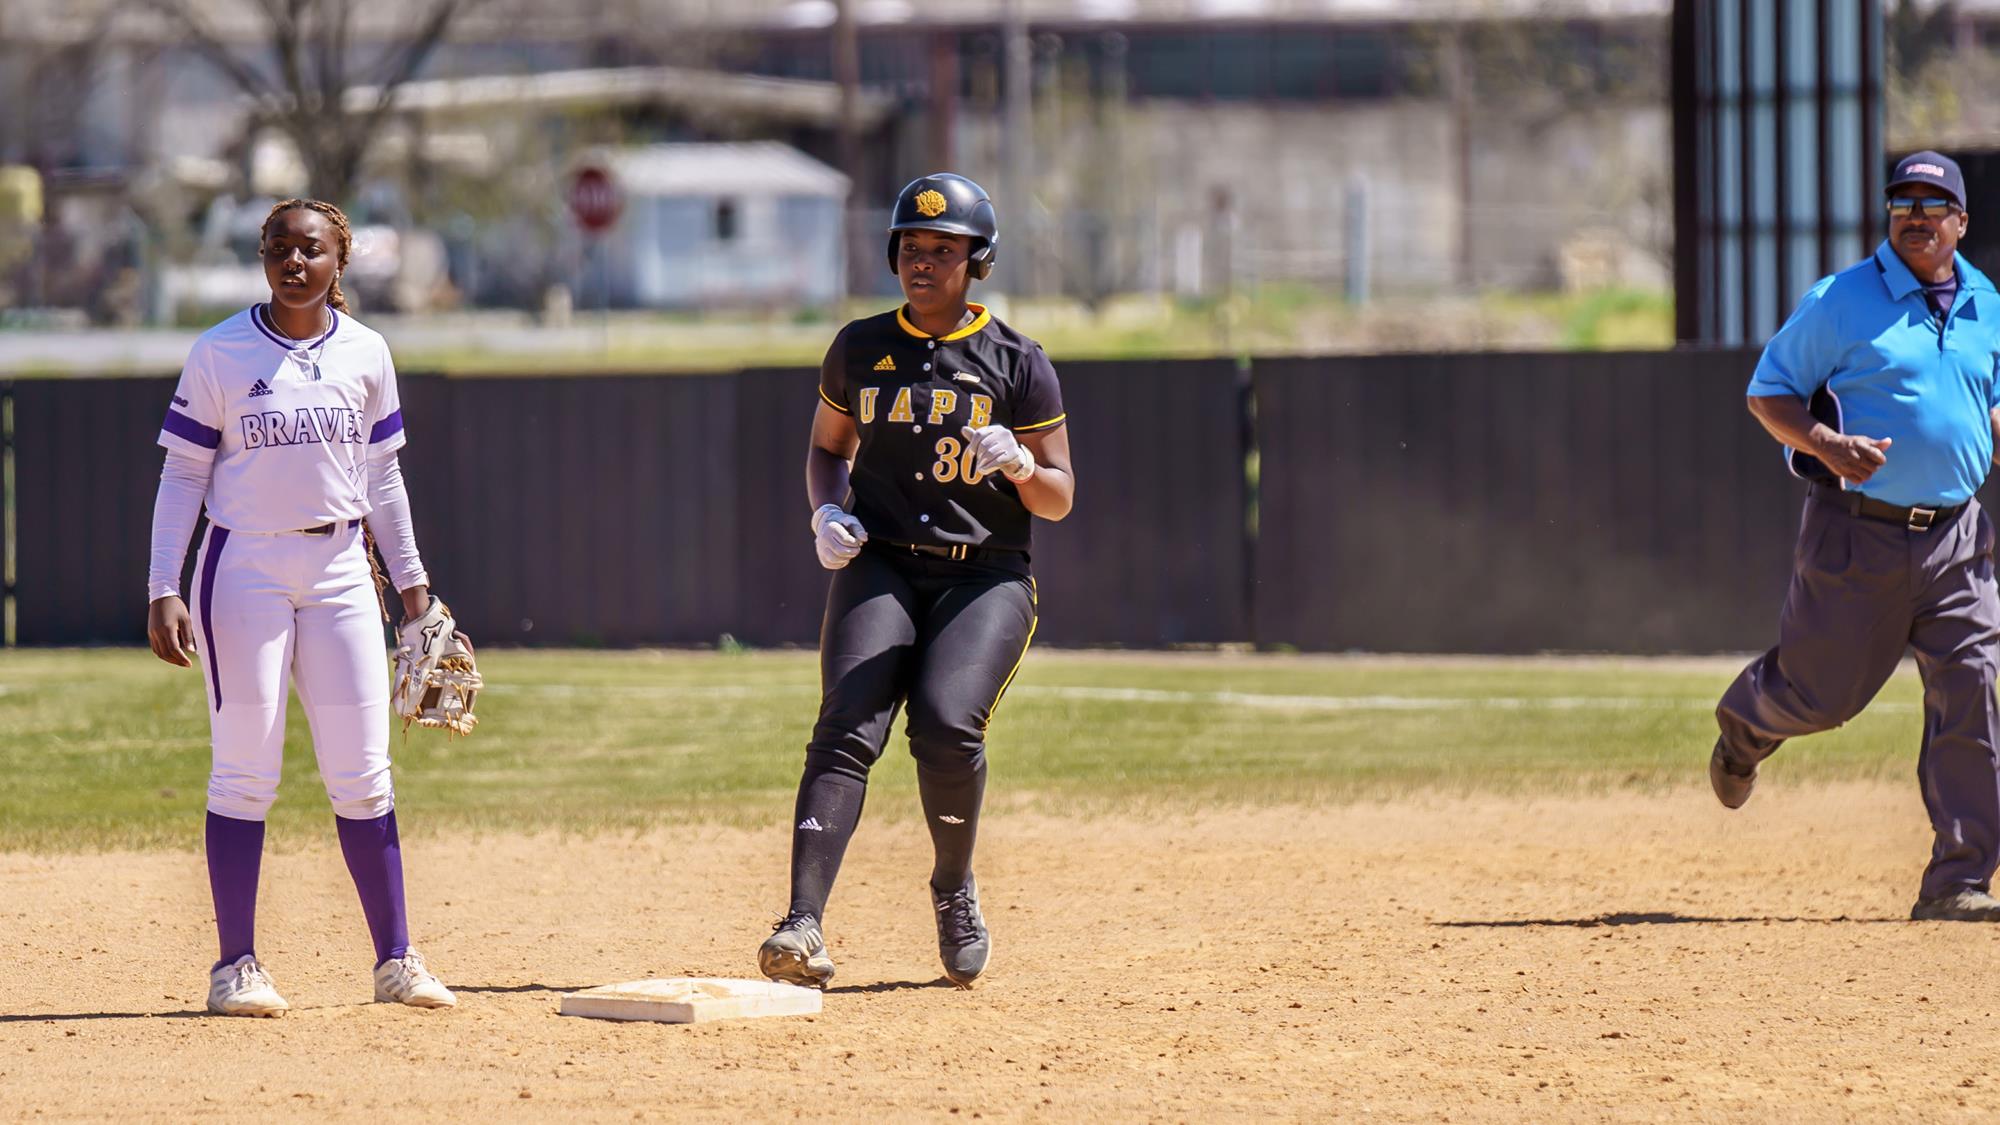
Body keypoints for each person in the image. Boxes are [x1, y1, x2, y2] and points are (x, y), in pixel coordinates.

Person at [758, 173, 1076, 988]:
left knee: (943, 725)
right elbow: (829, 447)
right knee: (847, 722)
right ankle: (801, 923)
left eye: (944, 250)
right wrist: (826, 513)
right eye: (910, 246)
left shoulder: (1018, 361)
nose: (923, 262)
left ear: (980, 261)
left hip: (986, 575)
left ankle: (952, 886)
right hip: (884, 561)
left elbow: (1061, 495)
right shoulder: (860, 345)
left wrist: (1022, 465)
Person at [146, 199, 458, 1014]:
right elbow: (182, 476)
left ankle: (396, 958)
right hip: (241, 563)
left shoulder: (365, 352)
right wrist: (163, 586)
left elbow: (383, 480)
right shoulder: (220, 350)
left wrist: (415, 587)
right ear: (262, 258)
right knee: (246, 767)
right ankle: (235, 965)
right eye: (279, 248)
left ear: (339, 263)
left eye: (310, 249)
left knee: (363, 770)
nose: (294, 262)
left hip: (341, 566)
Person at [1713, 151, 2000, 921]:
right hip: (1859, 532)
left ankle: (1958, 880)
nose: (1916, 214)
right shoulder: (1842, 299)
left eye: (1934, 204)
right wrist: (1826, 445)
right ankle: (1747, 722)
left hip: (1958, 539)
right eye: (1902, 201)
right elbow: (1767, 393)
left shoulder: (1986, 302)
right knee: (1823, 695)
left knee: (1973, 688)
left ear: (1961, 223)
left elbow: (1988, 405)